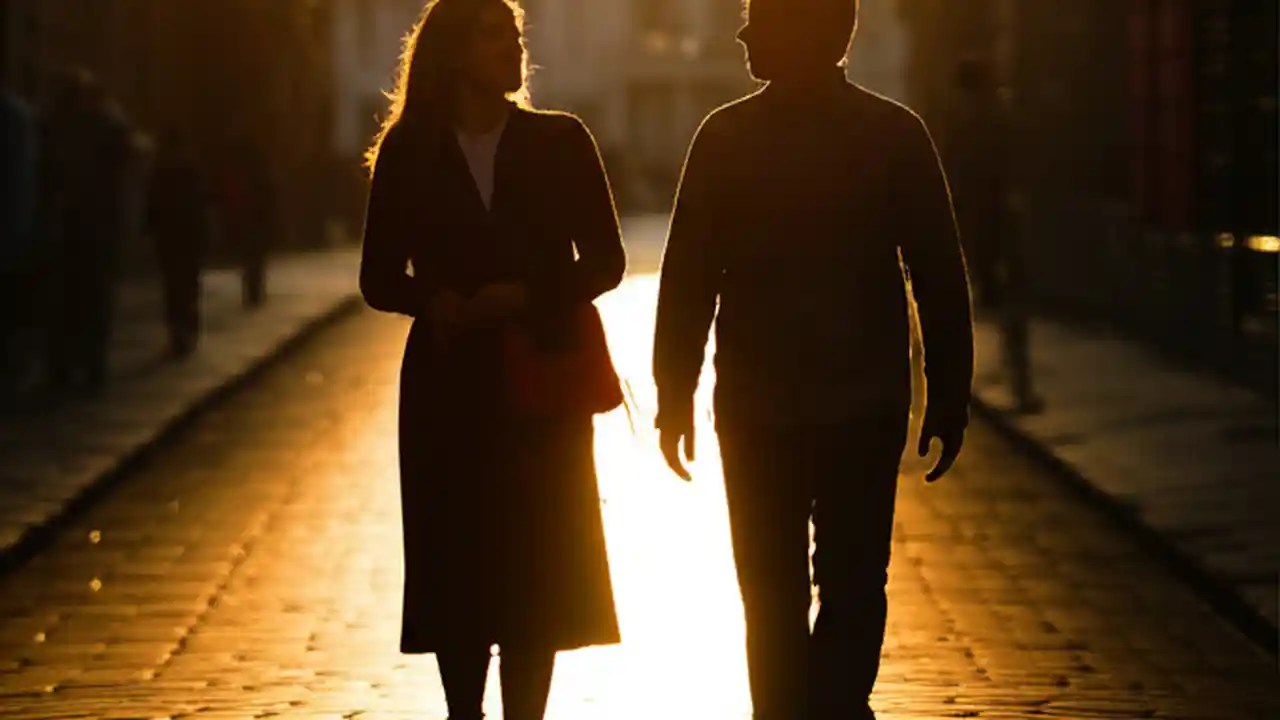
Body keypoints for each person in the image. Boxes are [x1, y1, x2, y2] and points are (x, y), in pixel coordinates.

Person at [652, 0, 975, 718]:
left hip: (763, 408)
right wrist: (949, 392)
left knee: (770, 596)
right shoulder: (894, 135)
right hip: (855, 405)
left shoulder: (726, 137)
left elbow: (689, 280)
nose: (741, 33)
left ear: (812, 31)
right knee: (854, 583)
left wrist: (674, 391)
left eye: (758, 18)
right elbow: (939, 275)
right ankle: (834, 705)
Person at [359, 1, 624, 718]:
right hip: (449, 383)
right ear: (451, 50)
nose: (511, 47)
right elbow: (378, 277)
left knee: (537, 564)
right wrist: (434, 301)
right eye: (492, 36)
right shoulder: (409, 152)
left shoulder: (561, 141)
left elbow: (606, 261)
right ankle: (463, 713)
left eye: (514, 36)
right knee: (458, 563)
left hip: (540, 373)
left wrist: (527, 293)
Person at [41, 69, 138, 392]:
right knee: (92, 299)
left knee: (67, 299)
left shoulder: (59, 125)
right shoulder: (109, 124)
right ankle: (89, 367)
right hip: (95, 225)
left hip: (71, 224)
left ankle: (65, 367)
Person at [147, 129, 211, 358]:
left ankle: (179, 332)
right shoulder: (190, 170)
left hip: (171, 237)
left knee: (174, 287)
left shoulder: (161, 171)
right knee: (187, 286)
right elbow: (203, 203)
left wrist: (149, 228)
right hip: (186, 237)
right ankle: (187, 331)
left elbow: (151, 204)